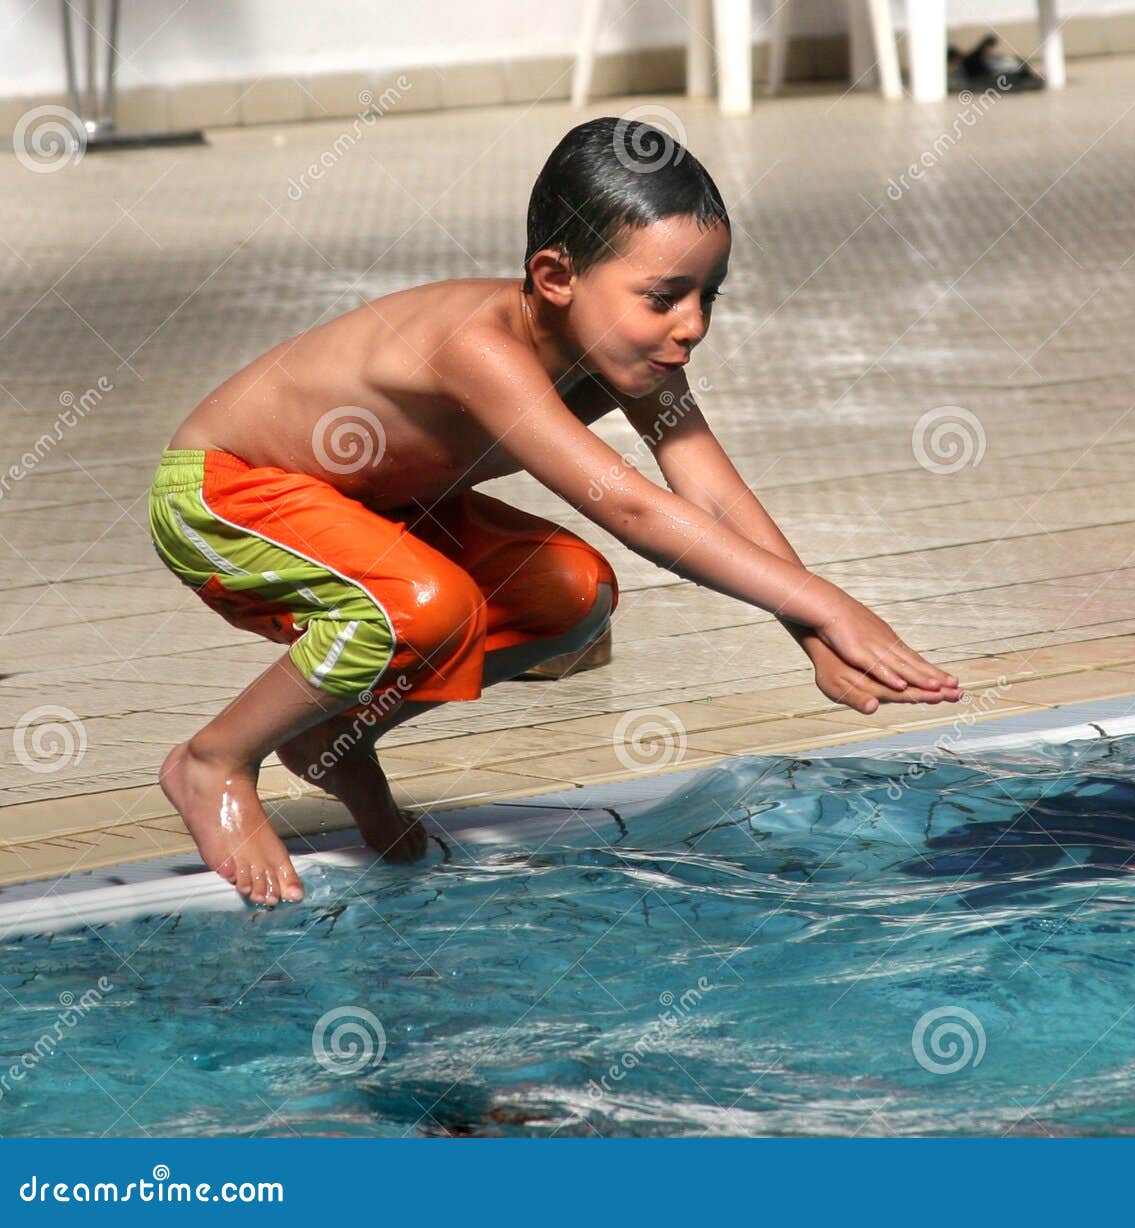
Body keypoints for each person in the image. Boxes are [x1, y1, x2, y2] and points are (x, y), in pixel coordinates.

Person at [146, 116, 963, 907]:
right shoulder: (480, 346)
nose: (694, 326)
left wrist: (812, 638)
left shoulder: (631, 355)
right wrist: (830, 603)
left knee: (572, 595)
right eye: (664, 296)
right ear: (555, 277)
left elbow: (710, 492)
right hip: (224, 494)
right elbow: (636, 510)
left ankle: (333, 735)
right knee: (423, 606)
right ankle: (214, 760)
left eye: (708, 295)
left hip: (376, 506)